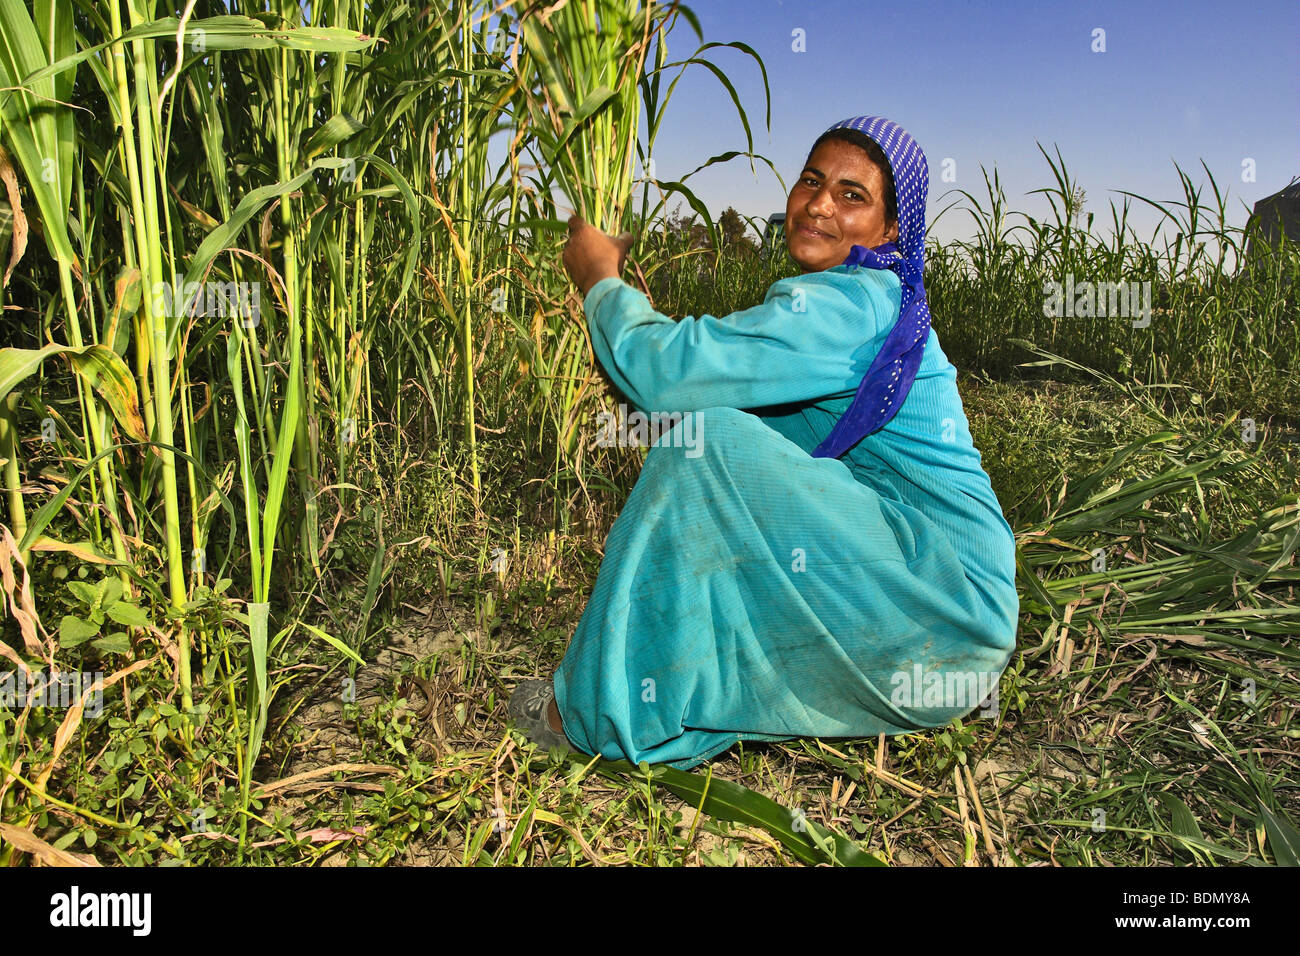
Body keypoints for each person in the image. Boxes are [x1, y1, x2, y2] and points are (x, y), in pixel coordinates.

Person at [508, 116, 1019, 770]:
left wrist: (600, 281)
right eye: (811, 180)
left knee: (706, 442)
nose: (819, 203)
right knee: (718, 450)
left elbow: (666, 377)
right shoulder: (870, 301)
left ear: (891, 231)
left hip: (941, 615)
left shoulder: (854, 304)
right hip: (945, 638)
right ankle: (681, 692)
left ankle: (582, 718)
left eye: (852, 195)